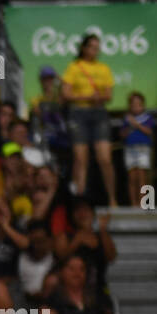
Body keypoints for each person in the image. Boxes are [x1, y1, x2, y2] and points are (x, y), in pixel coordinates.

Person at [61, 34, 116, 206]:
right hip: (79, 113)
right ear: (84, 48)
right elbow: (66, 94)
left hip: (99, 113)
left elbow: (109, 95)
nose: (95, 50)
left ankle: (112, 199)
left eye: (97, 47)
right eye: (92, 46)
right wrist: (86, 96)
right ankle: (80, 201)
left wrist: (98, 98)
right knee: (80, 159)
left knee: (105, 159)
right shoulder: (74, 67)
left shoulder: (104, 68)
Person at [120, 91, 153, 209]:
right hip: (130, 150)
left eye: (139, 104)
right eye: (133, 105)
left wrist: (137, 124)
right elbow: (122, 135)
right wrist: (129, 126)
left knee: (142, 177)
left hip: (143, 149)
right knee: (132, 178)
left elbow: (149, 131)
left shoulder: (147, 117)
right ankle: (133, 204)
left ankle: (144, 204)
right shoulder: (126, 119)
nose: (136, 107)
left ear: (143, 105)